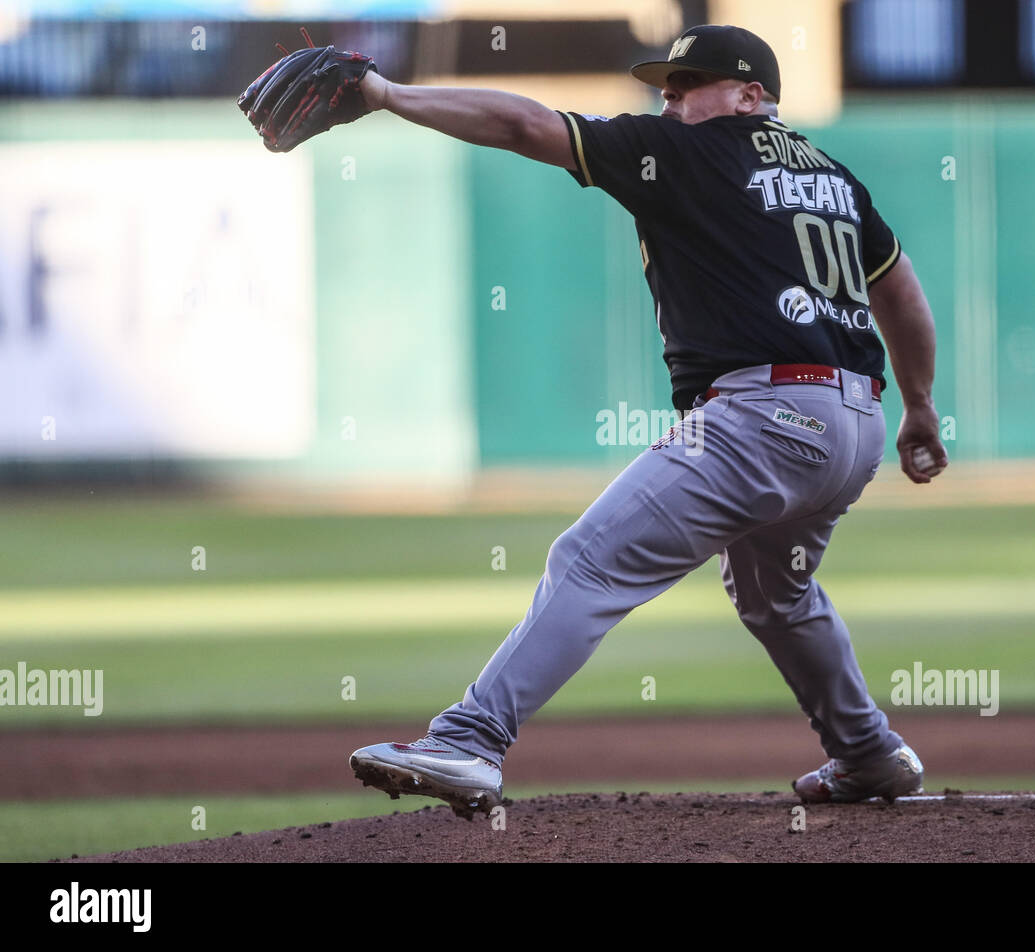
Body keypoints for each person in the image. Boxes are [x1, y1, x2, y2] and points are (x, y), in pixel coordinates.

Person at [348, 24, 948, 819]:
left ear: (752, 94)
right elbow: (899, 290)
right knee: (779, 596)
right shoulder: (835, 178)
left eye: (688, 83)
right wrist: (920, 406)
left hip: (759, 419)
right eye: (665, 87)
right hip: (853, 426)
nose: (670, 101)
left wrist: (388, 95)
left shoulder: (686, 154)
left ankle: (469, 740)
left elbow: (525, 124)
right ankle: (868, 753)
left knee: (590, 561)